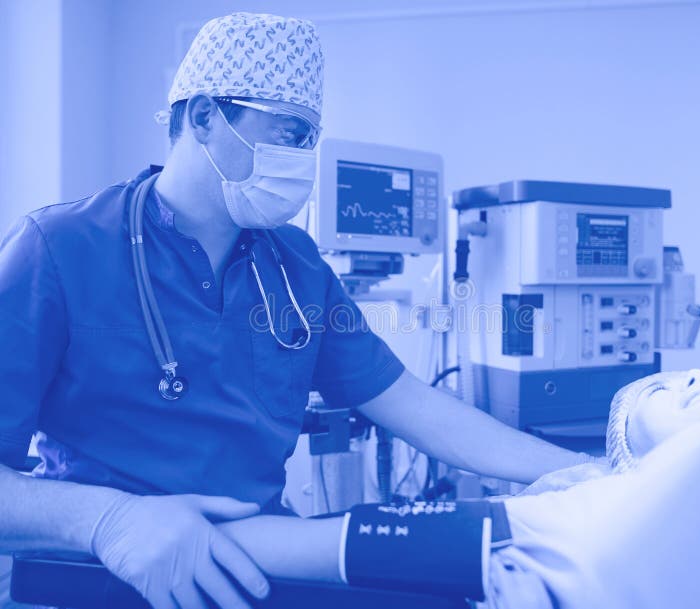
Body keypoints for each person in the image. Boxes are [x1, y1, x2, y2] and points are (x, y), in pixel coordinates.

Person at [0, 12, 591, 609]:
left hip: (258, 566)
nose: (302, 156)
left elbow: (412, 403)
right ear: (205, 115)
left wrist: (574, 476)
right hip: (102, 575)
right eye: (287, 132)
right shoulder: (59, 250)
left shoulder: (295, 266)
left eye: (310, 137)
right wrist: (108, 520)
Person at [165, 370, 700, 609]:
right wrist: (125, 523)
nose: (694, 376)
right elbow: (331, 545)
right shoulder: (591, 509)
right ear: (631, 457)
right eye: (660, 389)